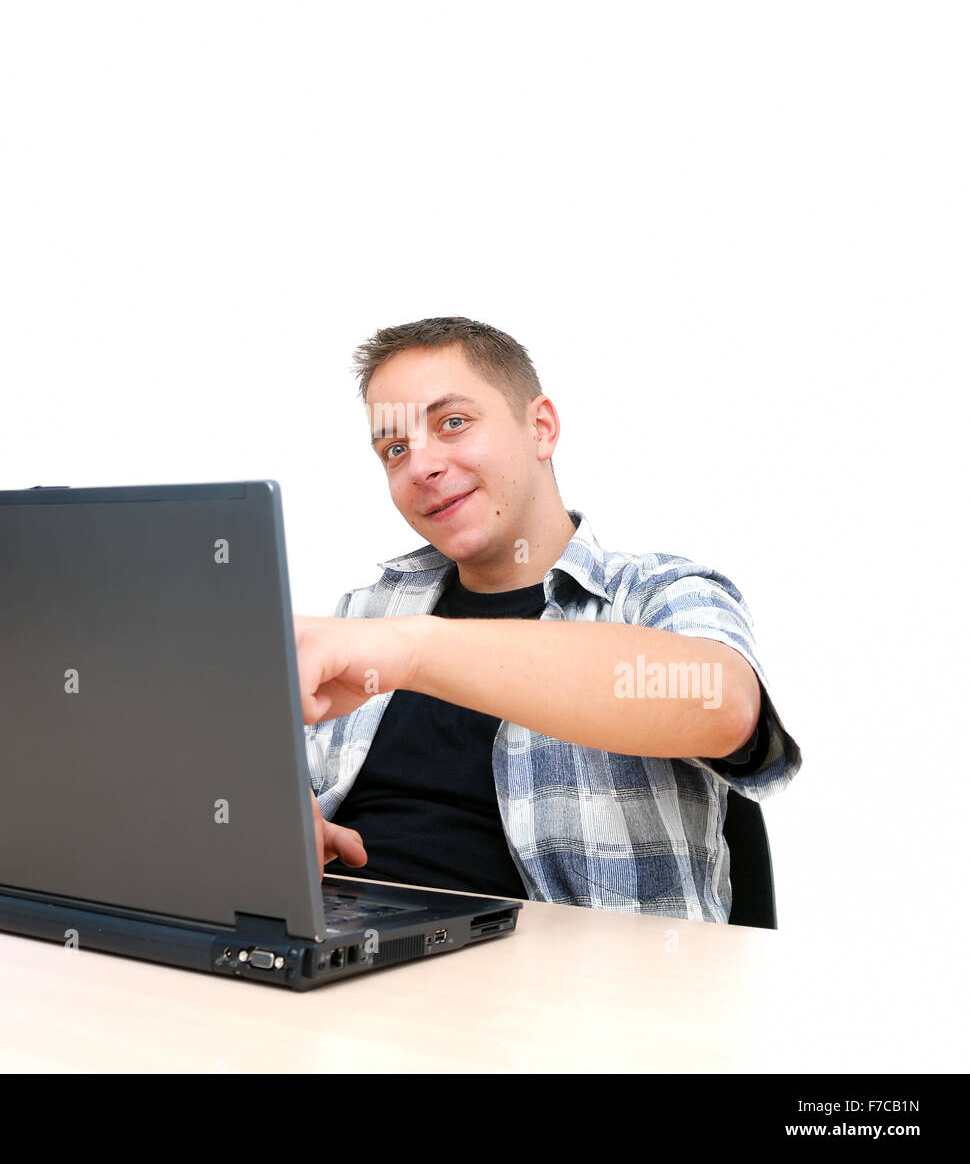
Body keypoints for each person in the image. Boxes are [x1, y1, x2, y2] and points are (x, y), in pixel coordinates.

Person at [293, 315, 801, 923]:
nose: (420, 466)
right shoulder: (365, 612)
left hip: (570, 995)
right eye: (395, 449)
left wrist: (414, 652)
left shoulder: (655, 593)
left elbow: (724, 707)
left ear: (541, 427)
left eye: (452, 423)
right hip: (345, 956)